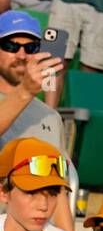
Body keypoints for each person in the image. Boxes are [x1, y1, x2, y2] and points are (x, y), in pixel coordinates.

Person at [0, 11, 69, 153]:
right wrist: (25, 91)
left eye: (31, 48)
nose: (22, 55)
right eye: (11, 46)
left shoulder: (51, 117)